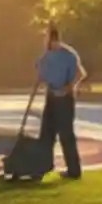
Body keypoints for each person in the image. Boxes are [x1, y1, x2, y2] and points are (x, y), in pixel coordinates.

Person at [35, 26, 86, 179]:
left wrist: (68, 87)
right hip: (51, 97)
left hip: (64, 98)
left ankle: (74, 170)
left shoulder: (68, 55)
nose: (46, 42)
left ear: (54, 38)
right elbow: (41, 73)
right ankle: (43, 166)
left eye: (47, 38)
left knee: (66, 134)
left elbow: (80, 73)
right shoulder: (47, 56)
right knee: (46, 134)